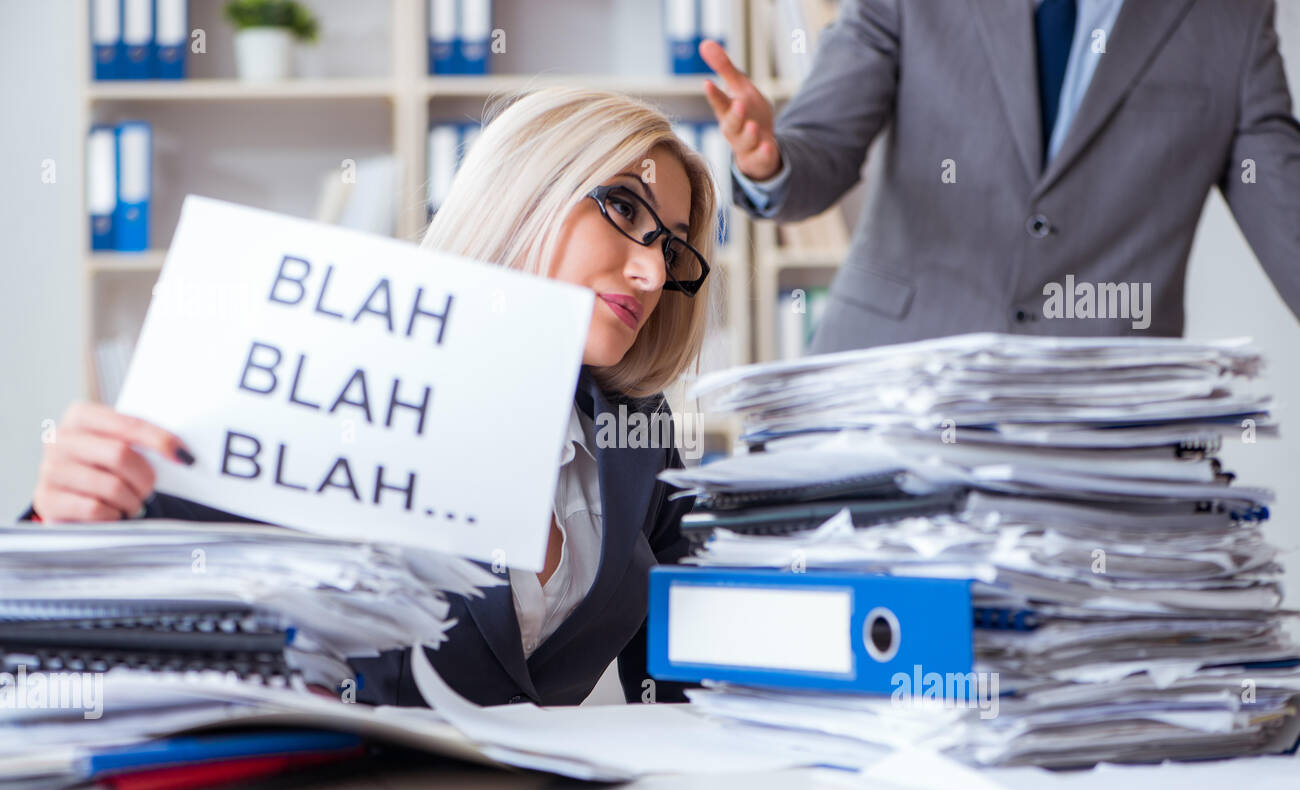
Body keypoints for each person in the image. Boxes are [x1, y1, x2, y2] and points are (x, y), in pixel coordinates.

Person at [18, 87, 717, 708]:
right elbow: (82, 613)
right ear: (524, 191)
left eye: (673, 247)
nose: (652, 270)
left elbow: (698, 678)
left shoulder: (637, 433)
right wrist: (60, 520)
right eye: (624, 206)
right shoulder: (332, 371)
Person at [702, 0, 1300, 352]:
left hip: (1098, 428)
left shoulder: (1232, 19)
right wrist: (770, 160)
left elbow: (1284, 212)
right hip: (892, 384)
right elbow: (823, 146)